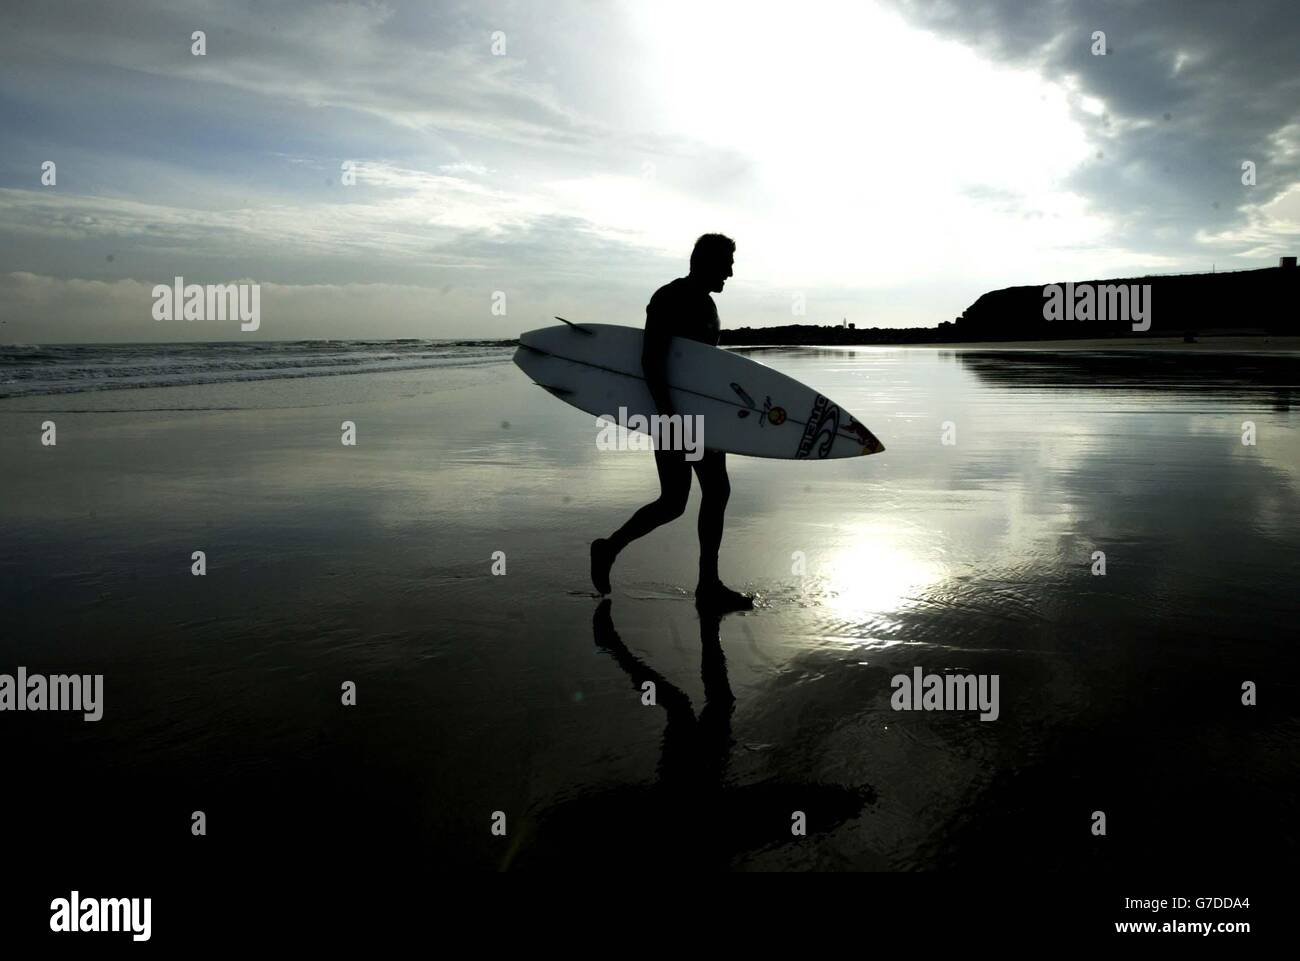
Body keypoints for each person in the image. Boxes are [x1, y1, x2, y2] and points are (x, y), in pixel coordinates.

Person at [590, 234, 753, 612]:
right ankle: (706, 586)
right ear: (706, 262)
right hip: (676, 416)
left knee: (681, 500)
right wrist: (669, 417)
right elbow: (651, 360)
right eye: (726, 264)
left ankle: (611, 549)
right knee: (701, 494)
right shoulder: (670, 298)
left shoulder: (707, 303)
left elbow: (702, 367)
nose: (730, 273)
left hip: (700, 416)